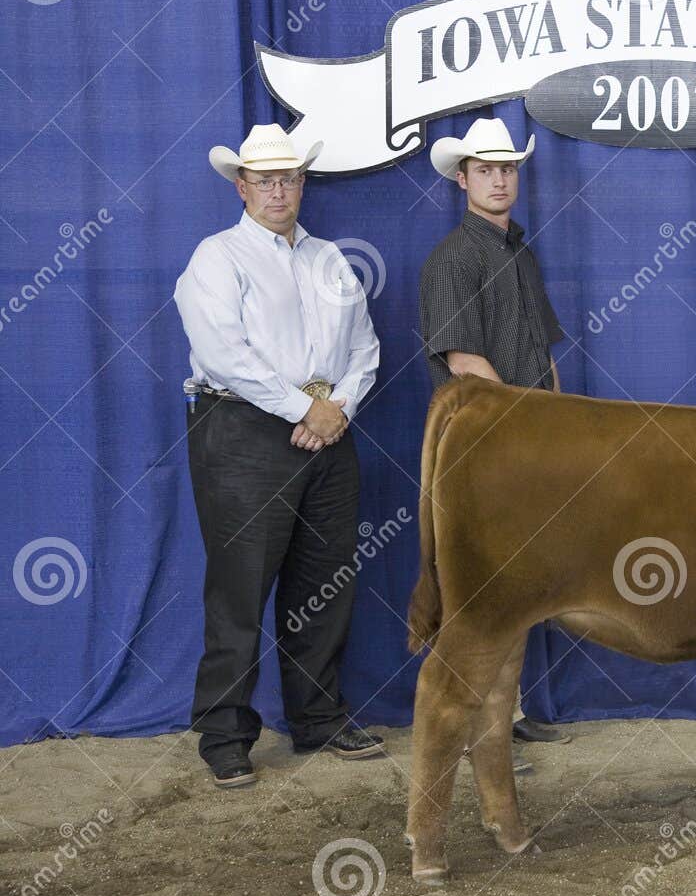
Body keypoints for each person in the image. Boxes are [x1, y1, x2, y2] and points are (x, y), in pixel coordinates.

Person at [174, 123, 384, 789]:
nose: (279, 190)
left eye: (289, 178)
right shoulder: (217, 257)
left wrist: (338, 408)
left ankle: (318, 717)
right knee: (240, 585)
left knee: (325, 581)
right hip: (243, 430)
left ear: (302, 184)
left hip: (328, 429)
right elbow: (223, 356)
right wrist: (307, 409)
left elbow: (366, 348)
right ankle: (225, 732)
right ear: (242, 186)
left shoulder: (330, 259)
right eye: (265, 180)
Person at [418, 117, 572, 757]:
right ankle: (469, 720)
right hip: (489, 449)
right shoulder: (457, 256)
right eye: (486, 169)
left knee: (518, 580)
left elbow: (541, 349)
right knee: (481, 586)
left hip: (532, 441)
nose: (499, 179)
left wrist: (562, 426)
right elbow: (465, 365)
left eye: (507, 169)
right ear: (463, 179)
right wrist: (529, 434)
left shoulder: (520, 250)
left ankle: (503, 715)